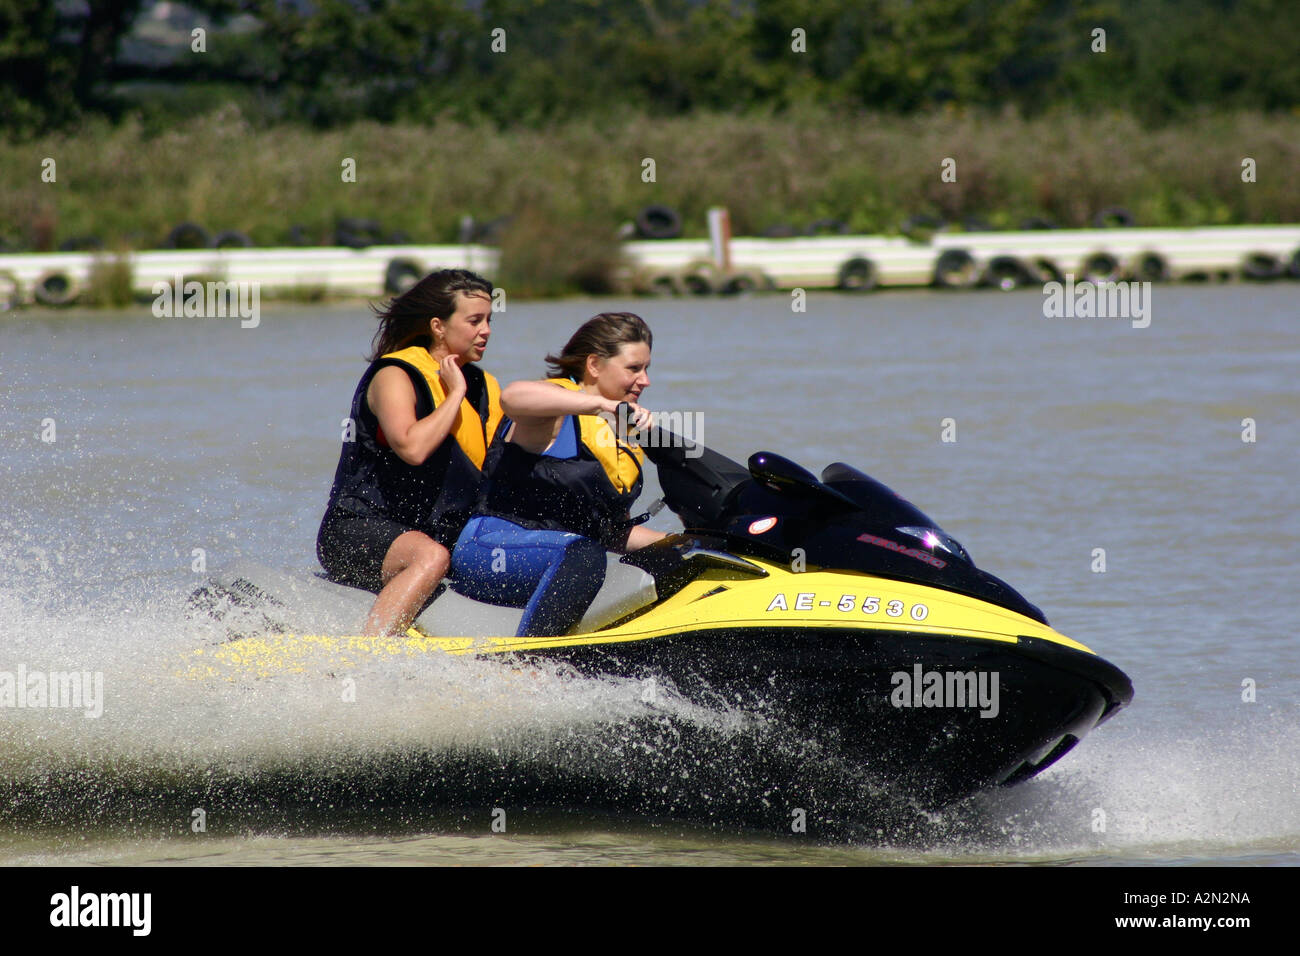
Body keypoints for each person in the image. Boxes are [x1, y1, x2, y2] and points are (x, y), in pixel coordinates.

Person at [450, 312, 667, 637]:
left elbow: (609, 532)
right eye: (634, 368)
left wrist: (685, 545)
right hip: (489, 547)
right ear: (594, 365)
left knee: (681, 555)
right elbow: (512, 397)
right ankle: (527, 667)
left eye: (647, 369)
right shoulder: (552, 410)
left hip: (567, 553)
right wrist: (600, 404)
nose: (645, 380)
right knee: (583, 555)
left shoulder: (621, 431)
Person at [317, 268, 504, 635]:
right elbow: (412, 448)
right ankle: (370, 658)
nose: (486, 330)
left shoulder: (485, 386)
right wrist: (454, 396)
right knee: (431, 557)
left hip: (438, 534)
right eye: (475, 320)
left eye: (489, 320)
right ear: (438, 326)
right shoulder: (394, 374)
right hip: (358, 529)